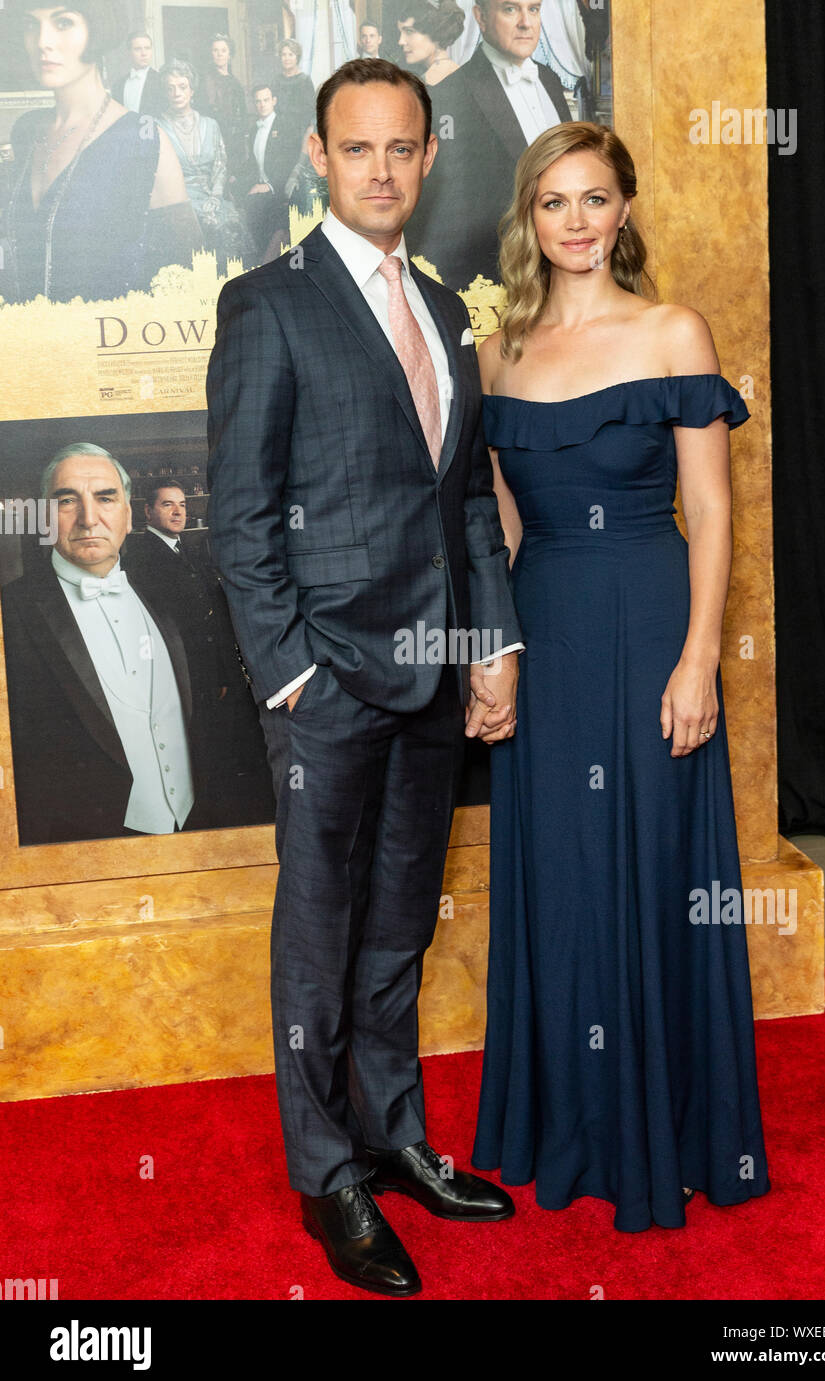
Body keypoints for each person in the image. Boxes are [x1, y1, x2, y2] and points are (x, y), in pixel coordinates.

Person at [206, 57, 524, 1298]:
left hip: (436, 679)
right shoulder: (265, 304)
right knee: (318, 938)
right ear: (319, 159)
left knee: (397, 928)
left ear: (430, 156)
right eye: (357, 150)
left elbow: (462, 508)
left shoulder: (446, 308)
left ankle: (394, 1136)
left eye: (402, 149)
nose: (381, 170)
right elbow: (240, 516)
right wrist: (290, 676)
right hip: (326, 688)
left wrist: (489, 643)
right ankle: (327, 1172)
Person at [471, 123, 772, 1231]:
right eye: (554, 203)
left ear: (625, 208)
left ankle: (674, 1127)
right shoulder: (496, 352)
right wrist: (489, 654)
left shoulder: (671, 332)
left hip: (650, 629)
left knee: (649, 871)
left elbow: (708, 511)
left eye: (595, 198)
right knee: (559, 880)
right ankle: (574, 1122)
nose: (577, 222)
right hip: (544, 636)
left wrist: (698, 657)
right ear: (529, 219)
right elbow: (497, 521)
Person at [0, 446, 195, 845]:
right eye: (67, 500)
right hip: (84, 842)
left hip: (195, 822)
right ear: (45, 517)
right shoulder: (11, 611)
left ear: (127, 514)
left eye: (106, 498)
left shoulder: (165, 590)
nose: (90, 518)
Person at [2, 1, 198, 303]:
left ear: (96, 30)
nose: (43, 42)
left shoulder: (143, 139)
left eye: (63, 22)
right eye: (31, 24)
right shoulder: (27, 130)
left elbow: (183, 276)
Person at [124, 482, 275, 830]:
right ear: (148, 512)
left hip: (212, 671)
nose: (178, 511)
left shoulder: (187, 549)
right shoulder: (141, 557)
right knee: (197, 753)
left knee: (219, 750)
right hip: (184, 673)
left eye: (181, 504)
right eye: (167, 505)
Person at [410, 0, 571, 288]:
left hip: (564, 276)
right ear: (480, 17)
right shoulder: (447, 95)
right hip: (496, 282)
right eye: (510, 9)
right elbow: (446, 219)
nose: (526, 22)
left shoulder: (550, 81)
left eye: (533, 9)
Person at [158, 60, 246, 269]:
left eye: (182, 87)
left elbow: (220, 165)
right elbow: (159, 173)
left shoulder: (210, 124)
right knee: (201, 224)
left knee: (230, 220)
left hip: (211, 195)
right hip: (178, 199)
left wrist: (216, 198)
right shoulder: (158, 126)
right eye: (170, 88)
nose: (176, 93)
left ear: (192, 91)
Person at [234, 84, 299, 259]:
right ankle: (253, 257)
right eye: (258, 101)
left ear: (274, 101)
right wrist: (234, 176)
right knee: (241, 200)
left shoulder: (285, 126)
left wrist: (269, 186)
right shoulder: (255, 128)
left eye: (266, 100)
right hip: (260, 185)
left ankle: (264, 259)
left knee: (258, 208)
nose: (262, 105)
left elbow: (289, 162)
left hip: (280, 187)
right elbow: (252, 162)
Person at [200, 33, 248, 172]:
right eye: (215, 50)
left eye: (223, 50)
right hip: (214, 135)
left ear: (230, 55)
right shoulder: (206, 80)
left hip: (234, 138)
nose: (219, 54)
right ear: (211, 54)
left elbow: (242, 113)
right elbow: (206, 110)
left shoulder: (235, 82)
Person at [396, 2, 465, 85]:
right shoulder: (429, 75)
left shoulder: (441, 79)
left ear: (435, 31)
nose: (401, 41)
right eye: (400, 32)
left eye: (409, 31)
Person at [112, 29, 164, 117]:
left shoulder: (161, 81)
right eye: (137, 49)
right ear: (129, 52)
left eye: (147, 48)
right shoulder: (119, 85)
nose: (144, 53)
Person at [271, 38, 315, 136]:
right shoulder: (276, 80)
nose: (287, 58)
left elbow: (310, 112)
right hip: (280, 131)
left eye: (291, 54)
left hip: (299, 132)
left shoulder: (304, 80)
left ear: (297, 57)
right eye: (283, 55)